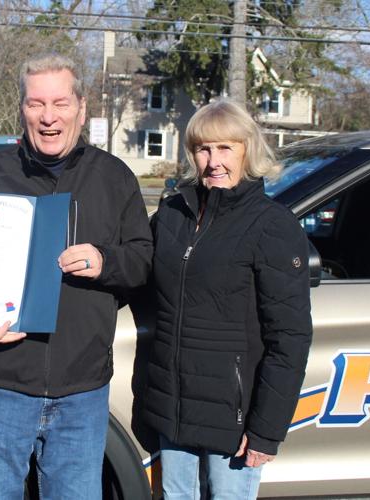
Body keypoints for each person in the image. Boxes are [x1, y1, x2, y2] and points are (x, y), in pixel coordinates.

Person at [0, 53, 152, 499]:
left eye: (60, 103)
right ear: (22, 108)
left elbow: (143, 261)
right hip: (1, 382)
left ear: (81, 107)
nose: (48, 116)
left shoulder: (114, 178)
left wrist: (106, 261)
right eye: (36, 103)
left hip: (82, 389)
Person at [136, 99, 313, 499]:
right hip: (173, 409)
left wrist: (266, 430)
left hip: (232, 419)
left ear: (247, 150)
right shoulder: (173, 215)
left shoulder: (271, 225)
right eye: (203, 149)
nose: (213, 161)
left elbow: (290, 337)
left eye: (225, 148)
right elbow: (136, 267)